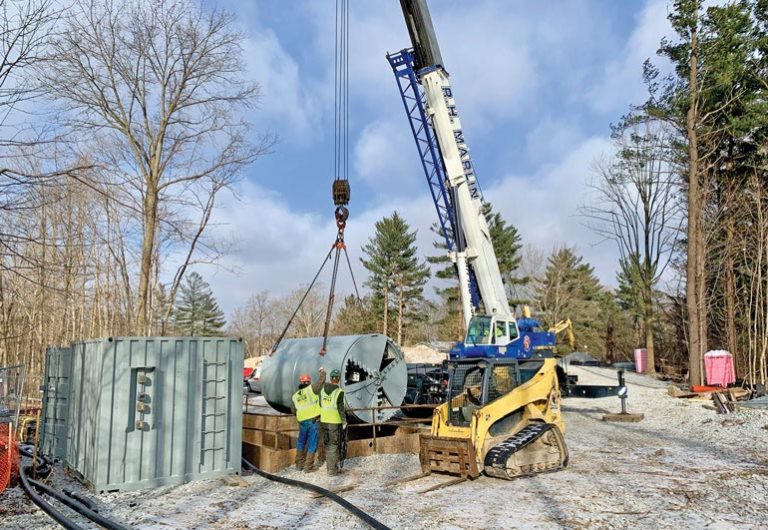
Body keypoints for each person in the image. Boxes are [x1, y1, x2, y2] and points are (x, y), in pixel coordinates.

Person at [291, 367, 326, 472]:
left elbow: (293, 410)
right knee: (312, 443)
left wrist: (301, 415)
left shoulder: (295, 395)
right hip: (313, 421)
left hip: (302, 422)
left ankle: (299, 465)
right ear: (309, 382)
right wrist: (322, 372)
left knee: (301, 442)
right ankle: (308, 467)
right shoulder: (312, 389)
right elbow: (321, 381)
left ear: (301, 382)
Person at [319, 369, 346, 475]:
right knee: (333, 445)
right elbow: (340, 408)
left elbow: (320, 404)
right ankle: (332, 470)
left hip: (324, 421)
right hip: (334, 422)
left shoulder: (322, 390)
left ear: (331, 378)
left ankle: (330, 467)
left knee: (327, 444)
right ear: (338, 379)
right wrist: (344, 421)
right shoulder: (339, 392)